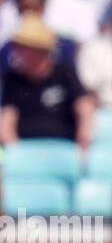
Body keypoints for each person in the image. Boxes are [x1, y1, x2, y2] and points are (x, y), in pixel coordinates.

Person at [0, 12, 94, 149]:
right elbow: (7, 118)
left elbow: (84, 107)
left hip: (65, 149)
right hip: (26, 150)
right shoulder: (13, 78)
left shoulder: (65, 72)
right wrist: (15, 153)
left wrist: (83, 141)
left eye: (23, 47)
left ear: (39, 50)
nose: (17, 52)